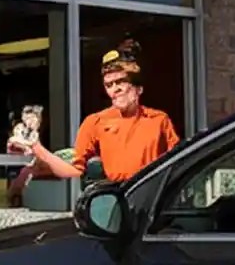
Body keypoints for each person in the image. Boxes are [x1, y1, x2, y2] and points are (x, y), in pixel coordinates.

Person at [21, 39, 181, 187]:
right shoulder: (95, 122)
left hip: (155, 195)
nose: (115, 89)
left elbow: (178, 162)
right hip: (117, 195)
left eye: (120, 82)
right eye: (109, 85)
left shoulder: (159, 120)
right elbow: (75, 170)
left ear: (138, 89)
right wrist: (37, 148)